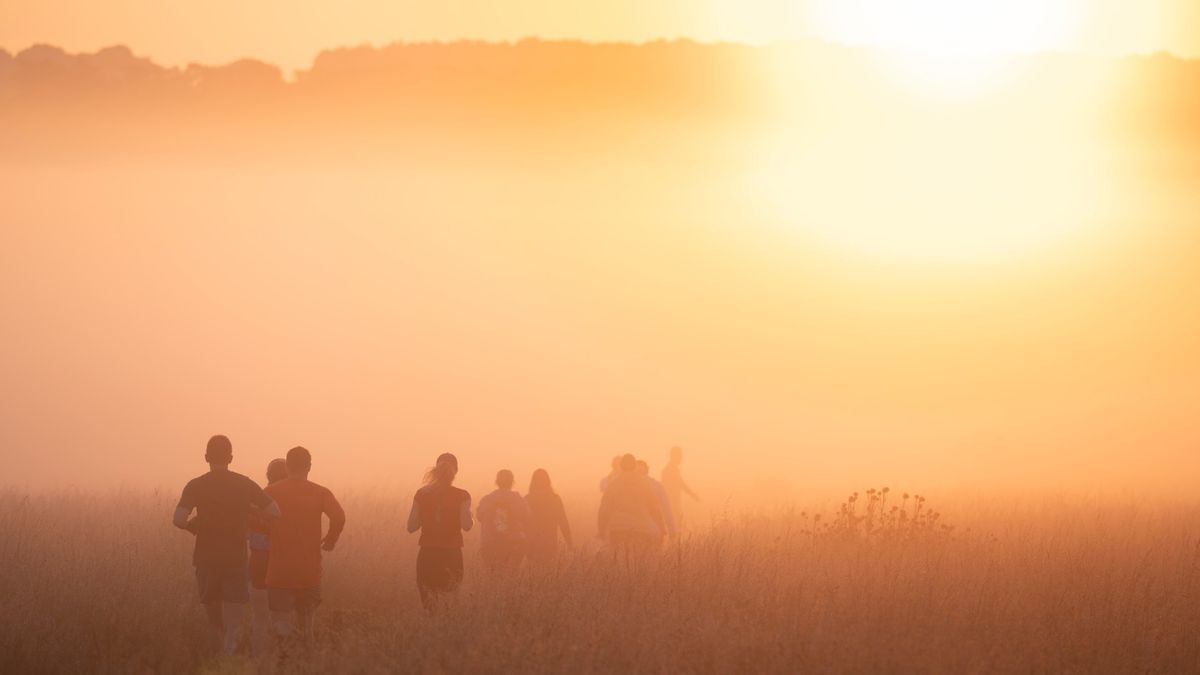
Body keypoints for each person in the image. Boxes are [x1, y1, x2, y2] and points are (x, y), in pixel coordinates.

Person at [174, 434, 279, 655]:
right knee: (234, 621)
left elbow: (178, 520)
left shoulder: (195, 485)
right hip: (236, 559)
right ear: (231, 457)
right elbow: (274, 512)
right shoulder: (245, 483)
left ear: (206, 457)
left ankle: (216, 661)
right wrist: (250, 511)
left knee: (214, 621)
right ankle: (229, 660)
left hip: (206, 559)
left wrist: (194, 526)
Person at [264, 446, 346, 642]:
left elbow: (252, 516)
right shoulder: (320, 492)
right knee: (307, 627)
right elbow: (339, 517)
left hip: (279, 572)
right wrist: (331, 540)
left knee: (281, 625)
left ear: (288, 466)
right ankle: (306, 663)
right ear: (309, 466)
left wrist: (270, 530)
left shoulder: (271, 492)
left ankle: (284, 663)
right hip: (309, 572)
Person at [407, 453, 473, 611]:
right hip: (452, 554)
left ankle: (431, 631)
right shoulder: (462, 495)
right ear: (456, 471)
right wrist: (471, 516)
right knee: (450, 603)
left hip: (428, 554)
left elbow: (411, 526)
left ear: (436, 470)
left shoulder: (422, 494)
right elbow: (467, 526)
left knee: (430, 604)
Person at [248, 457, 287, 654]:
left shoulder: (258, 499)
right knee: (282, 616)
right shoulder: (293, 502)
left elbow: (249, 533)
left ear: (268, 476)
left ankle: (258, 656)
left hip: (258, 564)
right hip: (284, 565)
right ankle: (283, 657)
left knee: (259, 616)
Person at [598, 454, 666, 566]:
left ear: (620, 466)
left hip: (618, 530)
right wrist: (661, 528)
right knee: (639, 564)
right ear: (635, 466)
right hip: (641, 529)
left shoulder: (613, 485)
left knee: (618, 564)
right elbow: (654, 508)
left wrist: (601, 530)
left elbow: (604, 510)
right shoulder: (645, 484)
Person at [476, 469, 530, 572]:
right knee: (511, 576)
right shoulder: (518, 499)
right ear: (512, 482)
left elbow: (479, 517)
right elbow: (527, 519)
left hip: (489, 545)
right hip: (514, 545)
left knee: (493, 577)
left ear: (496, 482)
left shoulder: (486, 499)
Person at [525, 469, 572, 566]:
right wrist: (569, 543)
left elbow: (522, 523)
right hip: (550, 544)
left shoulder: (528, 499)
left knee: (533, 575)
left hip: (532, 544)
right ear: (548, 481)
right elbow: (563, 522)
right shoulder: (554, 499)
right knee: (548, 573)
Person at [637, 460, 677, 542]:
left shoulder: (628, 488)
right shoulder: (657, 486)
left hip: (637, 530)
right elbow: (667, 509)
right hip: (656, 528)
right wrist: (672, 530)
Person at [660, 446, 699, 531]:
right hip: (671, 505)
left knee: (678, 527)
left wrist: (693, 495)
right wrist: (693, 495)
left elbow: (681, 484)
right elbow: (665, 489)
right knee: (676, 527)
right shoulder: (668, 470)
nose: (681, 458)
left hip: (674, 504)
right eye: (680, 456)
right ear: (674, 456)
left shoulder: (674, 469)